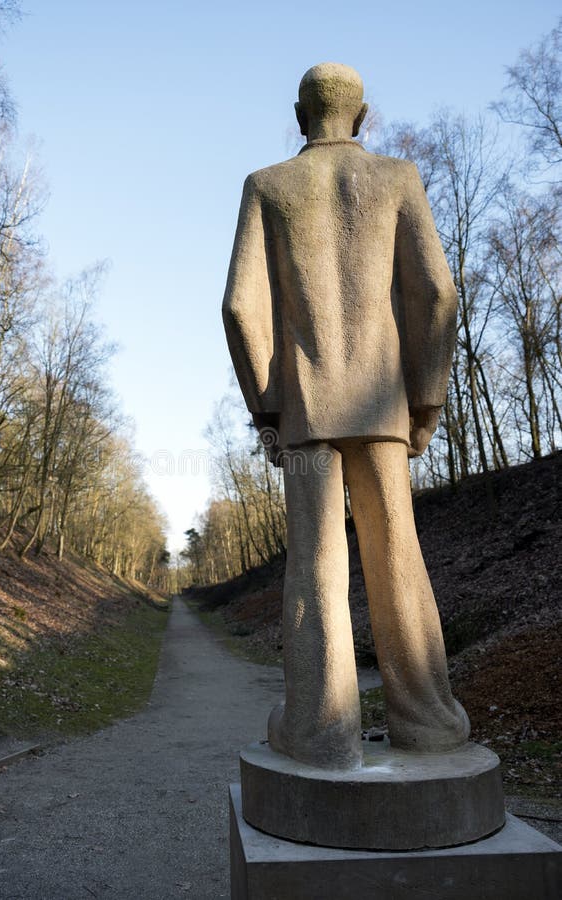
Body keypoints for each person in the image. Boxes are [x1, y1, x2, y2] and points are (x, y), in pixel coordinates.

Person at [222, 63, 470, 769]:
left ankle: (317, 729)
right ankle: (428, 721)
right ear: (361, 115)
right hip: (383, 405)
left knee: (315, 564)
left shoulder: (267, 186)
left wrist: (266, 408)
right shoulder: (396, 179)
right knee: (397, 554)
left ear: (300, 115)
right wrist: (424, 399)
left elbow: (241, 307)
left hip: (305, 411)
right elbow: (437, 295)